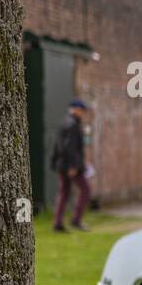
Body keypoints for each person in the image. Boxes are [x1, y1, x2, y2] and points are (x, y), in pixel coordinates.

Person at [49, 98, 91, 232]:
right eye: (81, 110)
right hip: (70, 166)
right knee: (85, 190)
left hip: (63, 164)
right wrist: (73, 166)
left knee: (64, 193)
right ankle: (76, 219)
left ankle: (58, 223)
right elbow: (69, 147)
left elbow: (58, 146)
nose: (82, 113)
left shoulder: (65, 122)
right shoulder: (72, 125)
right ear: (75, 110)